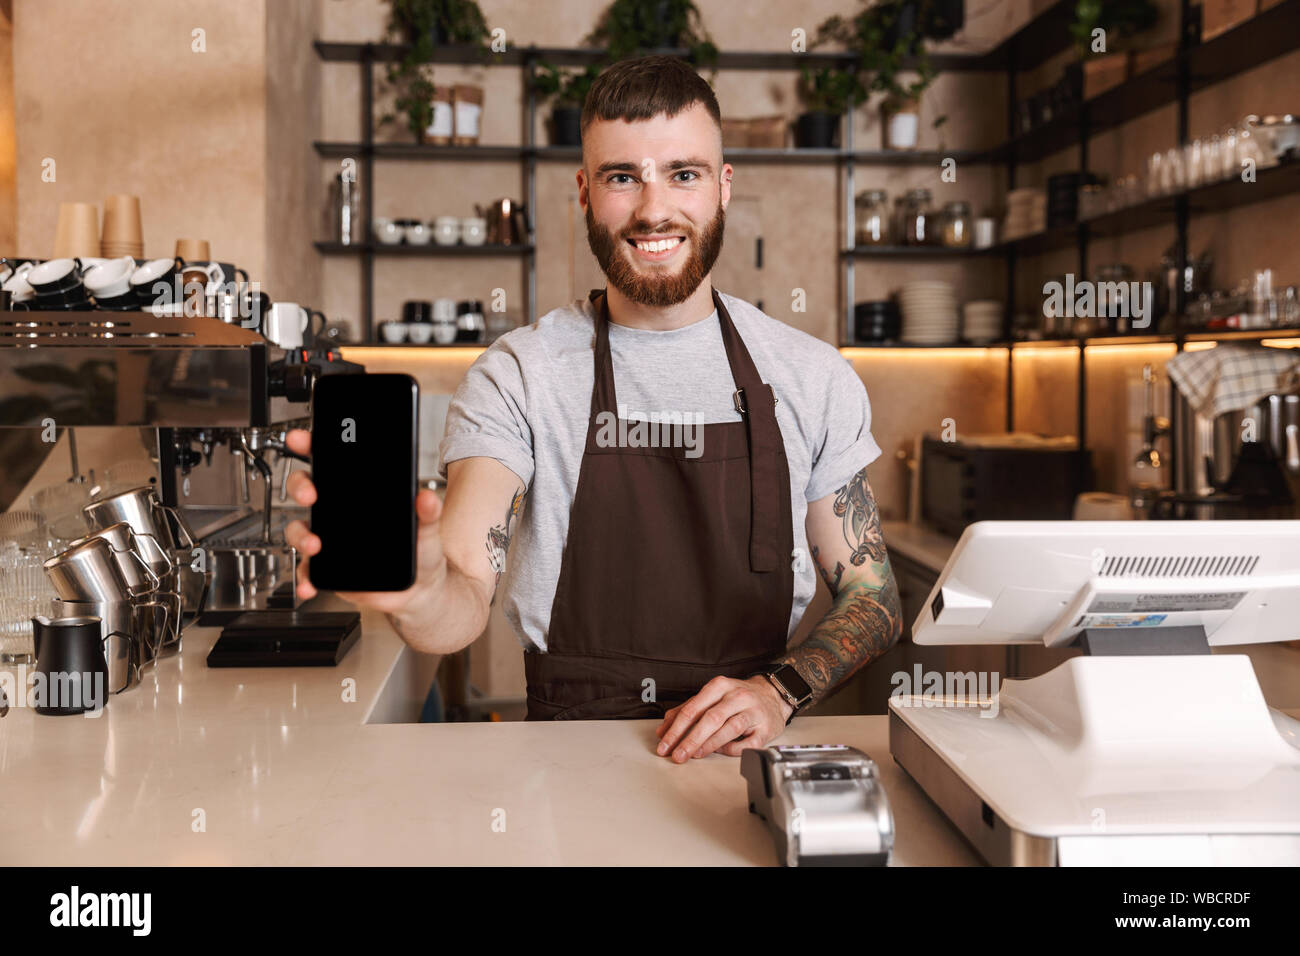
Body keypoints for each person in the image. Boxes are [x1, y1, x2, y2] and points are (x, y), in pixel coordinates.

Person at [285, 54, 901, 762]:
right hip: (566, 768)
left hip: (746, 762)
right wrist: (418, 589)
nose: (653, 209)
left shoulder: (810, 376)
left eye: (684, 173)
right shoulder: (521, 374)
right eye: (621, 177)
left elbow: (873, 599)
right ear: (584, 190)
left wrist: (778, 691)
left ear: (723, 187)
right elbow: (461, 601)